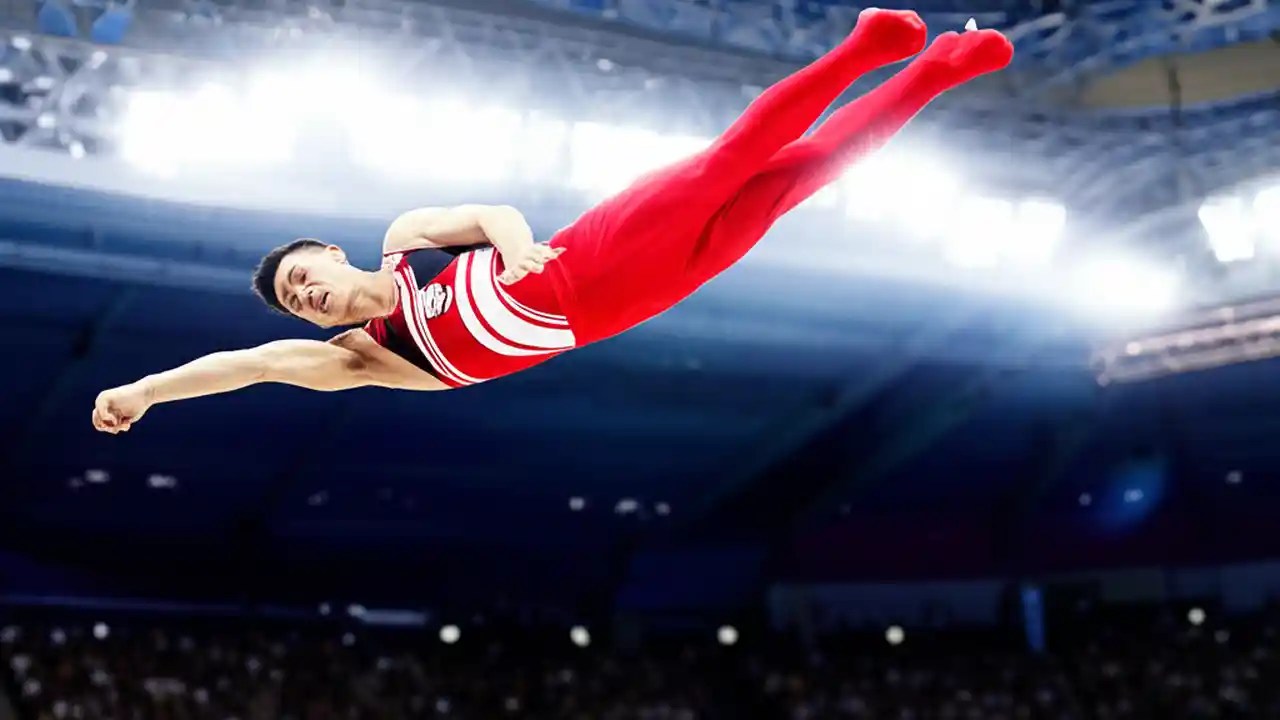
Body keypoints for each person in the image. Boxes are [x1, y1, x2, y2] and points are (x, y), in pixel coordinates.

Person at [92, 9, 1013, 434]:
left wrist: (514, 243)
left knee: (735, 160)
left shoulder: (408, 239)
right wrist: (143, 392)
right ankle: (938, 69)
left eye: (304, 275)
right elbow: (244, 367)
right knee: (805, 176)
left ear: (331, 252)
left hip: (592, 248)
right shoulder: (363, 358)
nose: (310, 296)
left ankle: (867, 42)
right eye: (300, 302)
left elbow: (489, 210)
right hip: (639, 297)